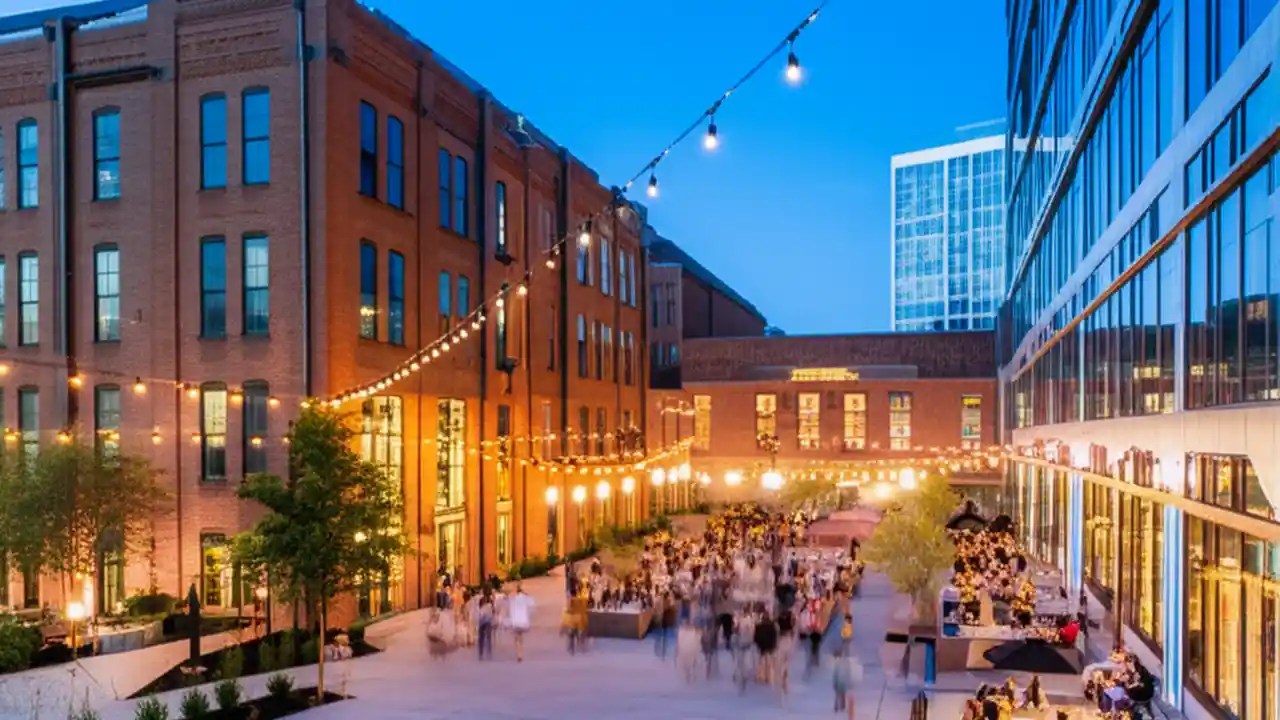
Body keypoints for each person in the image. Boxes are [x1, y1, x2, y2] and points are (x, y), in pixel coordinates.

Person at [507, 583, 535, 662]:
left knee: (516, 638)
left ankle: (518, 653)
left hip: (515, 621)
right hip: (523, 621)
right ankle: (521, 653)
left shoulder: (513, 598)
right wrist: (526, 594)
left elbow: (507, 601)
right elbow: (531, 603)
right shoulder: (525, 598)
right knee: (521, 637)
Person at [476, 588, 495, 660]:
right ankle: (489, 652)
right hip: (488, 620)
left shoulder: (481, 600)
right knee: (488, 637)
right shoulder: (491, 600)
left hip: (482, 620)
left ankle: (481, 653)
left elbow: (479, 610)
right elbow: (493, 611)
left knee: (481, 637)